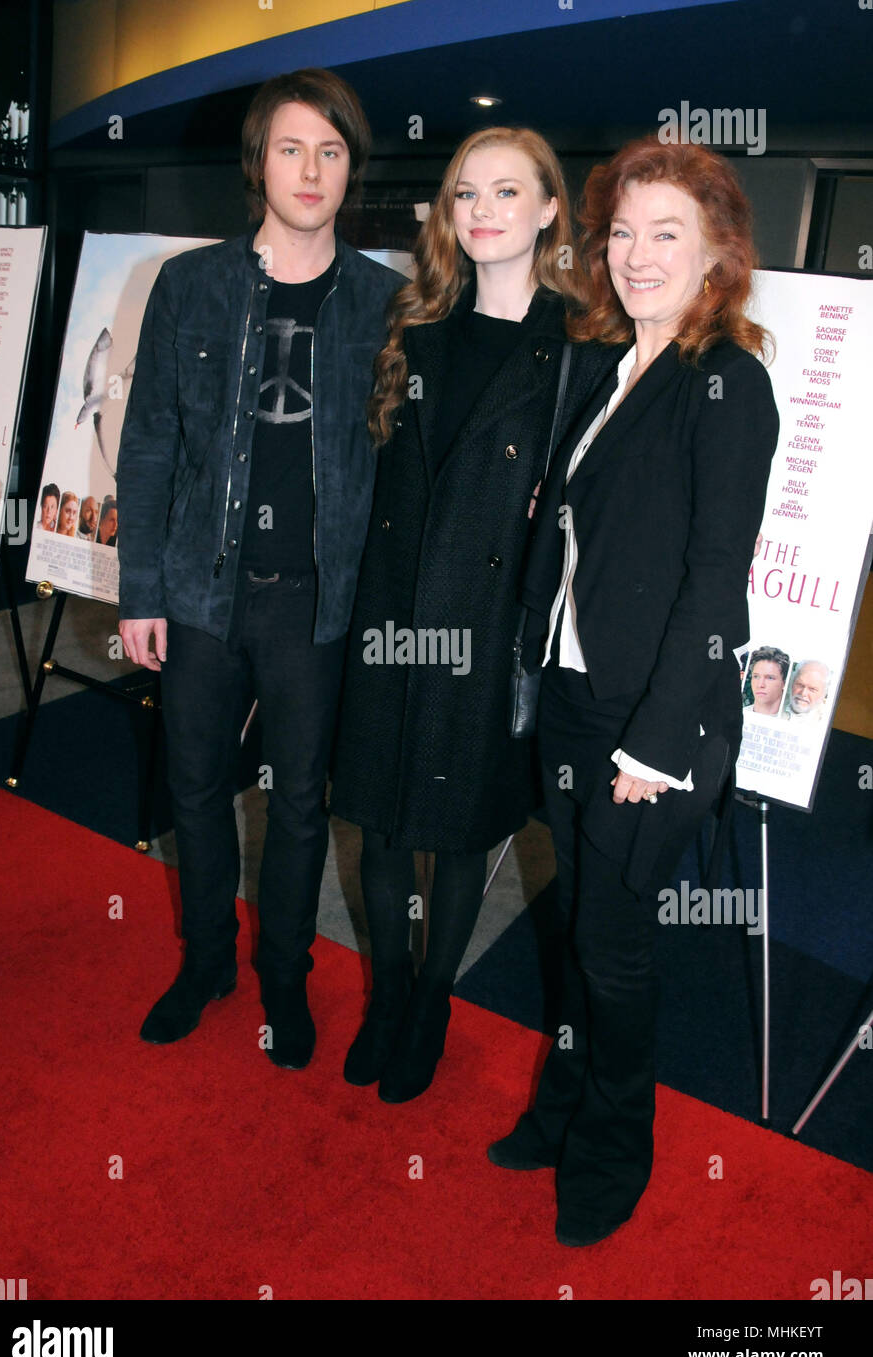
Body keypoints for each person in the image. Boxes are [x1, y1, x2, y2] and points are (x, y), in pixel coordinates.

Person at [487, 135, 779, 1247]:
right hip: (573, 697)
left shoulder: (725, 380)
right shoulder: (616, 371)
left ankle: (614, 1148)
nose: (636, 253)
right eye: (621, 231)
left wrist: (653, 750)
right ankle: (561, 1104)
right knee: (569, 934)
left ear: (715, 255)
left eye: (667, 233)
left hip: (654, 725)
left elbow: (715, 580)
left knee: (611, 952)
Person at [117, 68, 404, 1066]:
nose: (311, 168)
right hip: (200, 590)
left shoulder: (385, 302)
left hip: (316, 606)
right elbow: (148, 442)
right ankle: (206, 962)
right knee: (192, 789)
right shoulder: (190, 286)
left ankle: (285, 971)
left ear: (349, 169)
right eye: (291, 148)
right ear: (258, 164)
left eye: (330, 151)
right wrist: (141, 591)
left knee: (297, 805)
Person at [330, 127, 623, 1104]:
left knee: (456, 835)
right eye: (465, 192)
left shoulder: (582, 346)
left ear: (549, 210)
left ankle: (432, 1001)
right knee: (374, 824)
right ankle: (387, 993)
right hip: (389, 609)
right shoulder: (413, 320)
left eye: (507, 190)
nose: (483, 208)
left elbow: (598, 496)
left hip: (487, 621)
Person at [743, 646, 789, 716]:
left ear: (784, 683)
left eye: (770, 678)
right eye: (756, 676)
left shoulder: (794, 723)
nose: (760, 685)